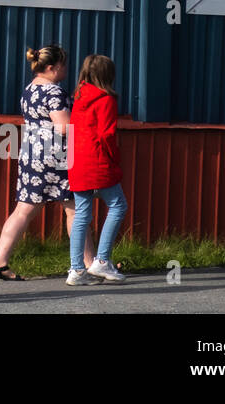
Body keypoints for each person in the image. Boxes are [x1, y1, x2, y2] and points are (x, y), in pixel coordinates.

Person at [0, 44, 93, 281]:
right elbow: (64, 128)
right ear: (52, 68)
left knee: (23, 210)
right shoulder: (54, 92)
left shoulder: (29, 89)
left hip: (32, 155)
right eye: (63, 65)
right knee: (75, 210)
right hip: (56, 158)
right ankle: (88, 263)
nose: (66, 69)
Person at [66, 54, 128, 285]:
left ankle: (76, 270)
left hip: (77, 161)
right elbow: (107, 135)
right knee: (118, 205)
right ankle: (101, 261)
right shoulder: (106, 99)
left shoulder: (79, 96)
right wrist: (115, 160)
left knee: (82, 213)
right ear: (108, 75)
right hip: (98, 161)